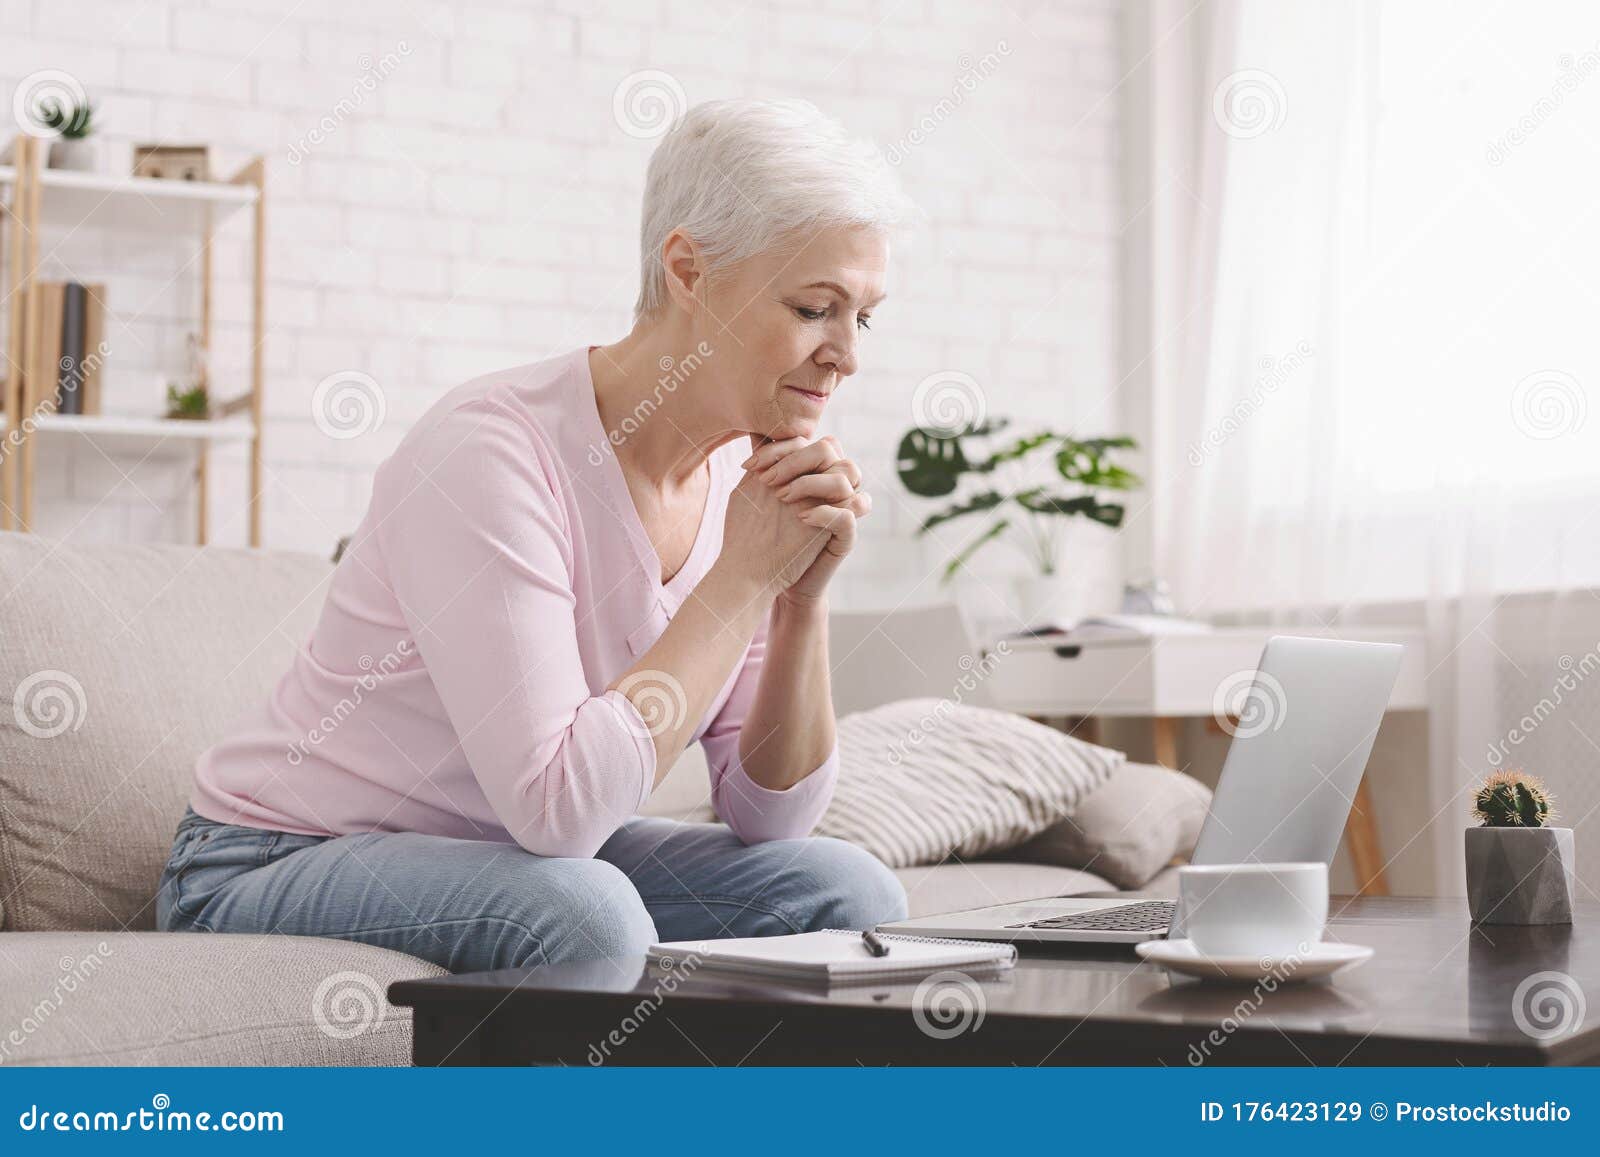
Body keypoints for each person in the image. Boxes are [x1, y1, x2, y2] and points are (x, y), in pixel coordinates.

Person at [156, 99, 912, 973]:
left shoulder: (745, 480)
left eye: (864, 316)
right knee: (585, 913)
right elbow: (558, 812)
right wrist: (742, 579)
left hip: (503, 859)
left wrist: (798, 600)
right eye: (817, 306)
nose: (847, 353)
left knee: (850, 895)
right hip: (271, 860)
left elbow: (769, 819)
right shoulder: (492, 450)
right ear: (688, 271)